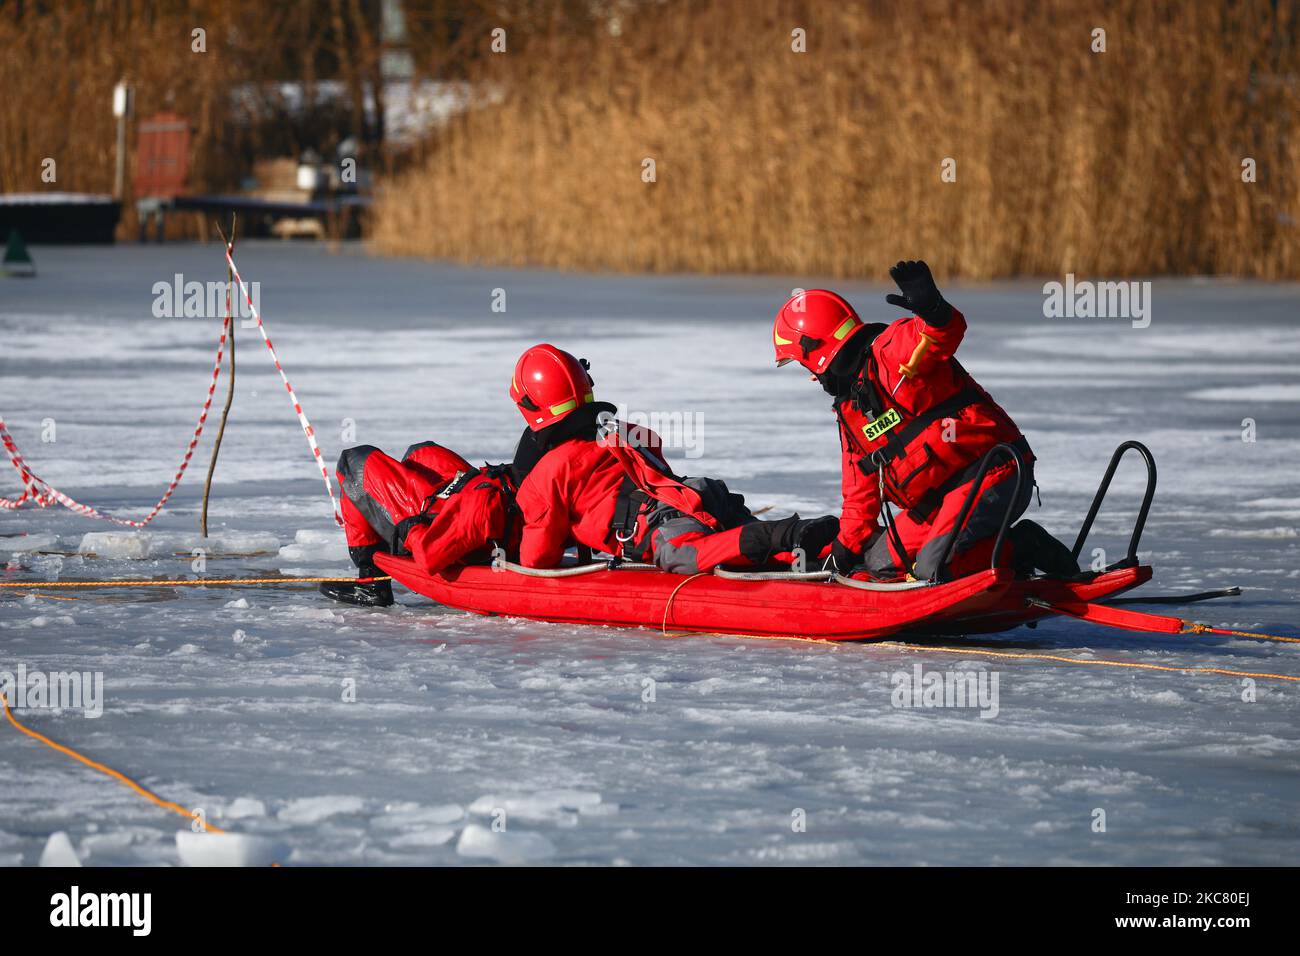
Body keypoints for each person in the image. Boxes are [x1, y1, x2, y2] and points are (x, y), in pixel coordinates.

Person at [771, 260, 1077, 580]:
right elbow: (859, 498)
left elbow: (939, 333)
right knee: (879, 562)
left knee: (933, 569)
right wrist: (841, 556)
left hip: (994, 475)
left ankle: (1021, 547)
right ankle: (977, 556)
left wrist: (933, 309)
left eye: (802, 365)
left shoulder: (890, 352)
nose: (810, 377)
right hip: (939, 504)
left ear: (814, 350)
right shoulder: (851, 415)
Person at [508, 343, 838, 574]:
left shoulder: (547, 473)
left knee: (686, 556)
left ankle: (782, 534)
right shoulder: (624, 432)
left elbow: (538, 559)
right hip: (698, 495)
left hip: (666, 524)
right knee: (757, 550)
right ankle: (831, 544)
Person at [320, 440, 517, 607]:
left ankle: (371, 580)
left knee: (354, 461)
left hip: (438, 524)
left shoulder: (479, 508)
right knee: (421, 452)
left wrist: (411, 528)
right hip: (490, 489)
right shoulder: (541, 454)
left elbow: (429, 555)